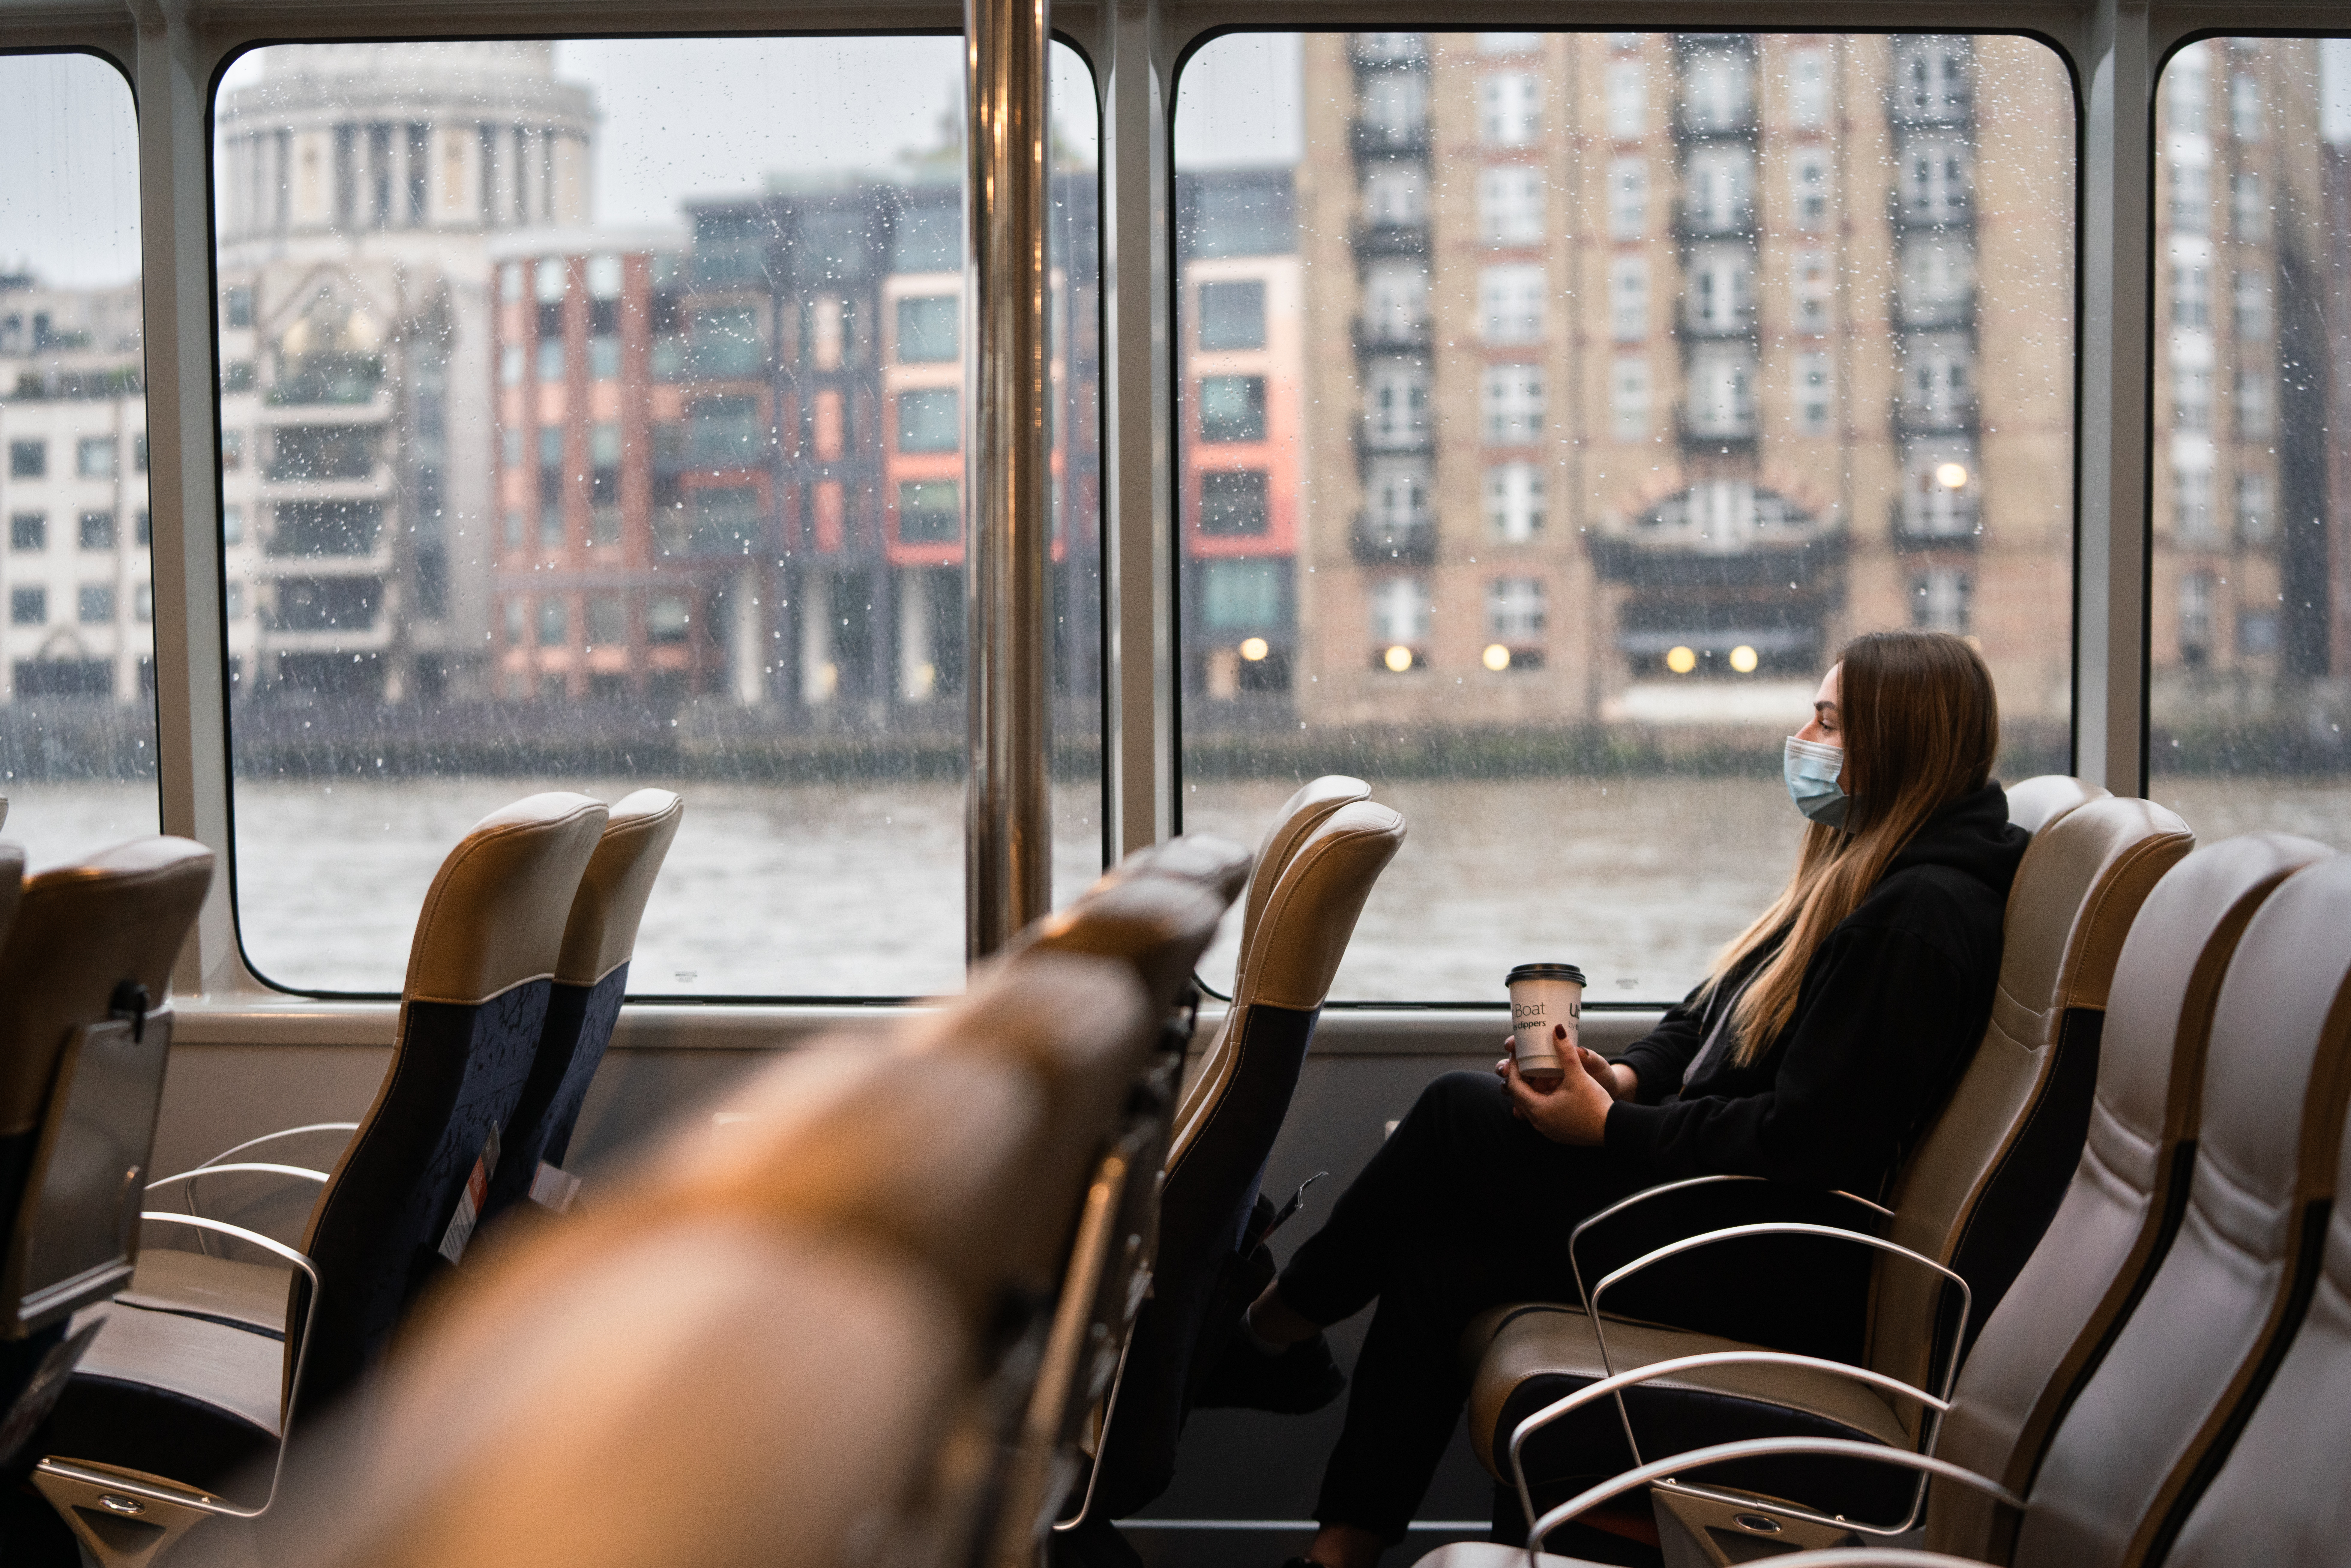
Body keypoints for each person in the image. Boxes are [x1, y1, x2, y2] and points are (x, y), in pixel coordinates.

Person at [1214, 629, 2029, 1568]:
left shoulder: (1919, 915)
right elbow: (1710, 1014)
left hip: (1775, 1255)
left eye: (1830, 720)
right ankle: (1338, 1551)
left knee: (1453, 1114)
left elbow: (1809, 1142)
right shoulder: (1862, 868)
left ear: (1896, 741)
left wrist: (1612, 1129)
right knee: (1442, 1256)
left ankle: (1268, 1334)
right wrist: (1629, 1076)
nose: (1806, 735)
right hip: (1726, 1207)